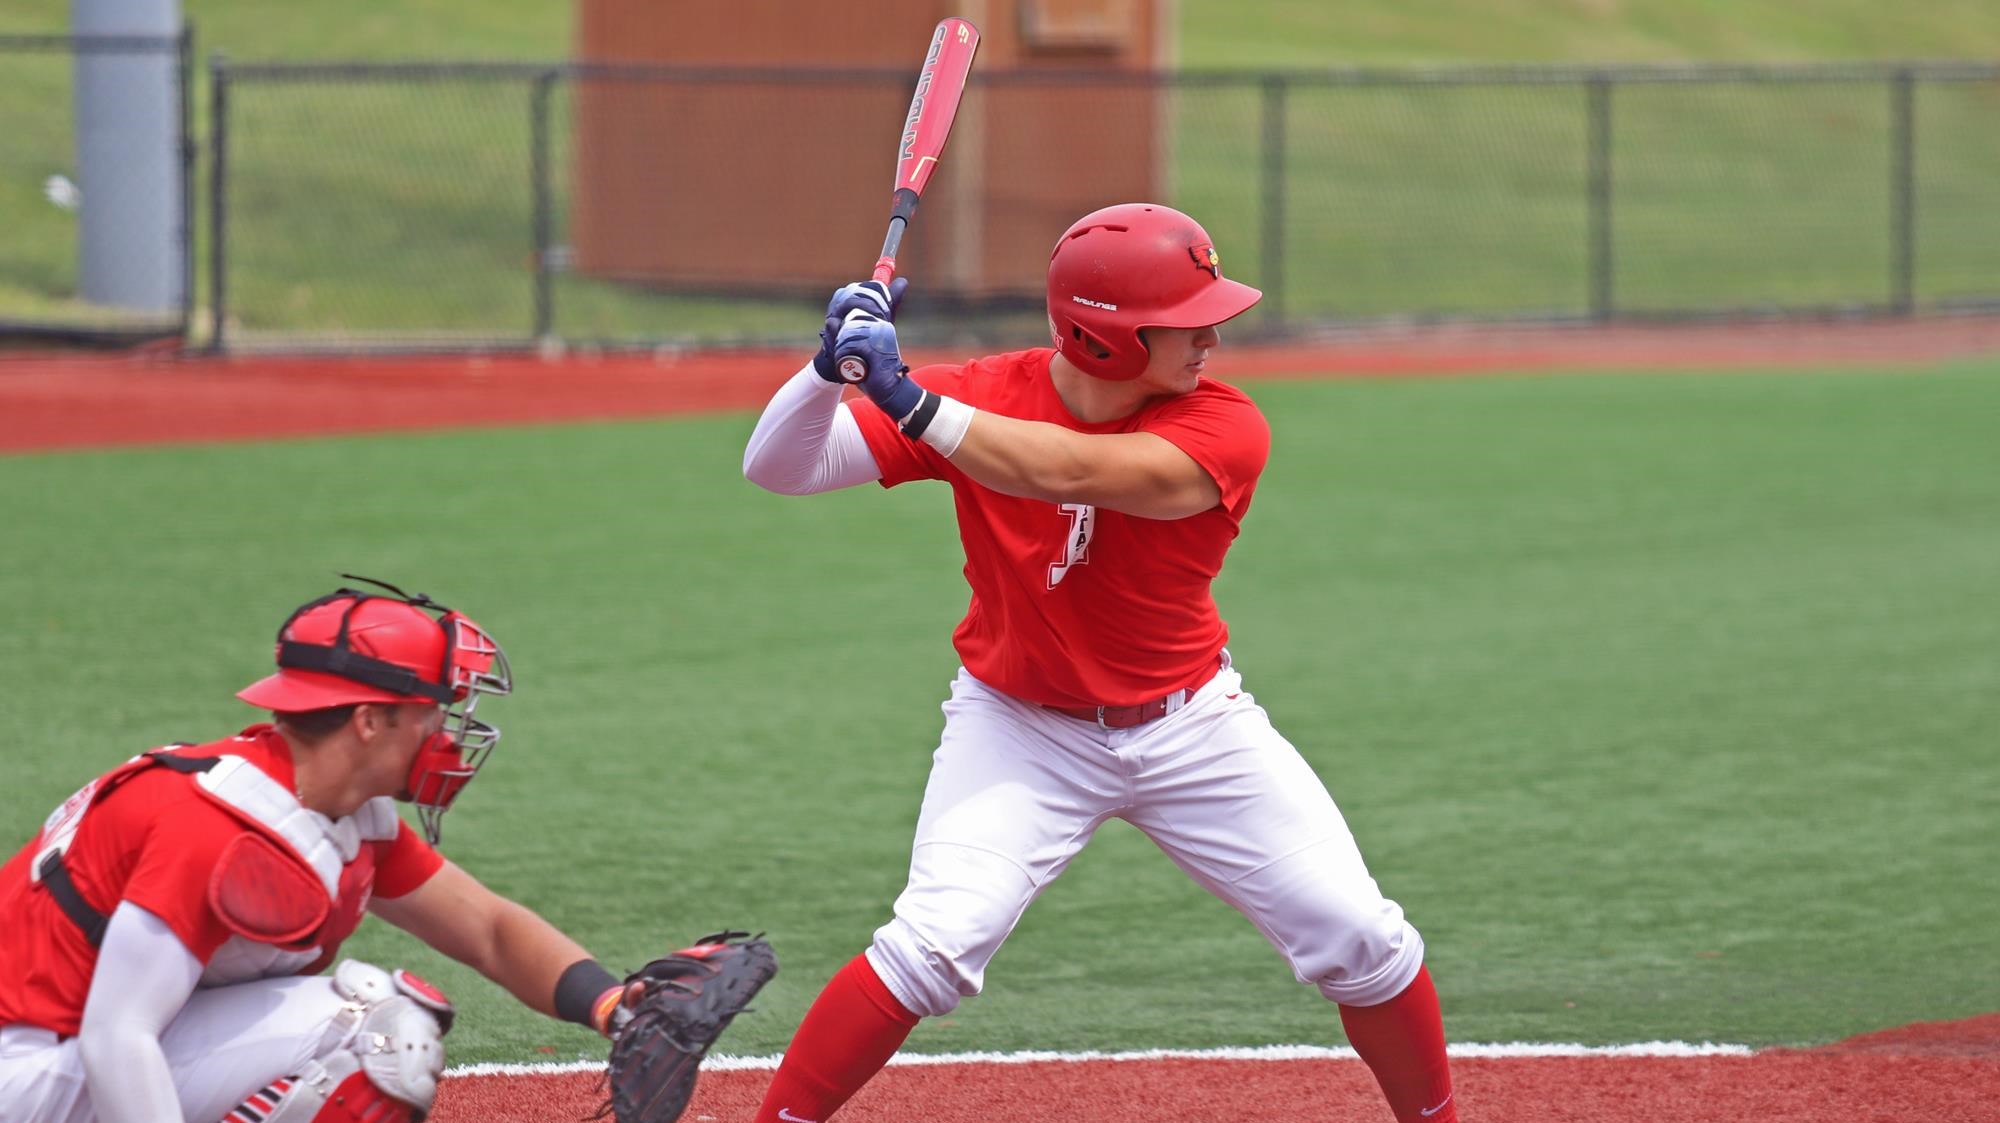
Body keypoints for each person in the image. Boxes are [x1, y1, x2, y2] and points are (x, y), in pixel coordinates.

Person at [740, 202, 1460, 1123]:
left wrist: (912, 401)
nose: (1211, 337)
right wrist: (821, 371)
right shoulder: (985, 392)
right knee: (931, 943)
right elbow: (782, 467)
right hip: (1018, 726)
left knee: (1361, 936)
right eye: (1186, 322)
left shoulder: (1226, 426)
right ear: (1107, 337)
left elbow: (1072, 471)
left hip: (1193, 724)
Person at [0, 579, 647, 1123]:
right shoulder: (219, 826)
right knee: (377, 1029)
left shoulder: (338, 815)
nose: (446, 735)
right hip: (26, 1066)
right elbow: (117, 1037)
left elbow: (489, 929)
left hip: (63, 1051)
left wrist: (615, 1007)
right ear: (369, 720)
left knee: (368, 1016)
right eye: (432, 711)